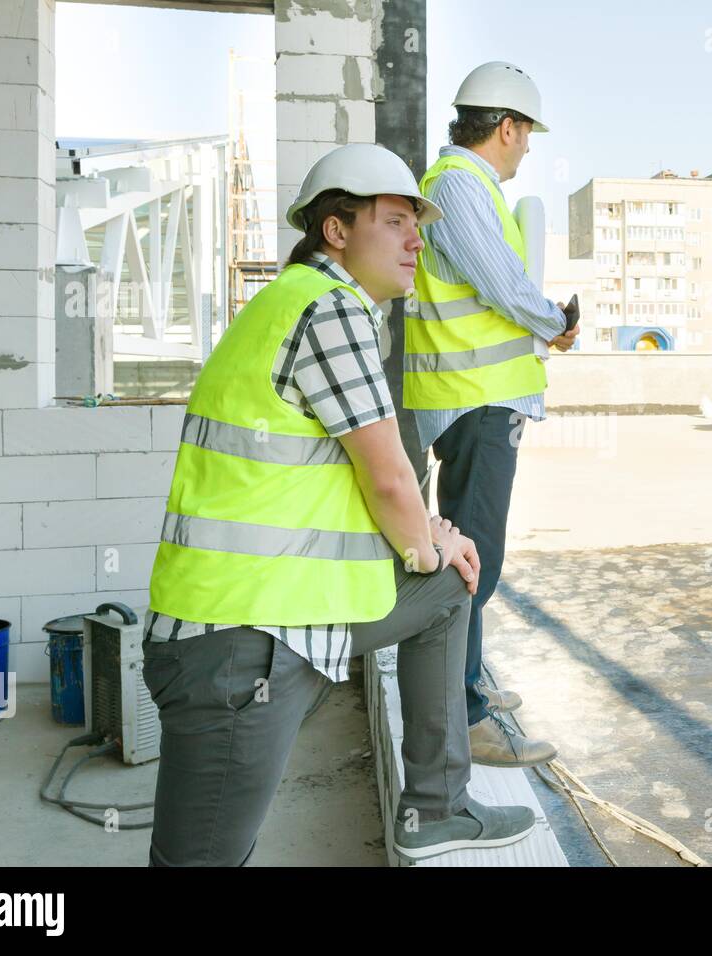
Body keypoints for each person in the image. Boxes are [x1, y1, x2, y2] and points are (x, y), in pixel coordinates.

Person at [143, 143, 536, 865]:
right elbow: (387, 478)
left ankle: (436, 809)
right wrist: (427, 542)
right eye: (394, 221)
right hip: (237, 641)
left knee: (449, 584)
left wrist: (433, 538)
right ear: (336, 230)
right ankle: (433, 807)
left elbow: (354, 477)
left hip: (283, 614)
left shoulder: (298, 302)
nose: (417, 238)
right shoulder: (329, 308)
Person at [405, 62, 579, 768]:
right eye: (527, 133)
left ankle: (466, 685)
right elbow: (502, 283)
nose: (530, 147)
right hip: (472, 403)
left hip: (478, 402)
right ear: (506, 128)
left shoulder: (461, 188)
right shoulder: (458, 187)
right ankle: (462, 720)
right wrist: (557, 322)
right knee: (472, 562)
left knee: (475, 554)